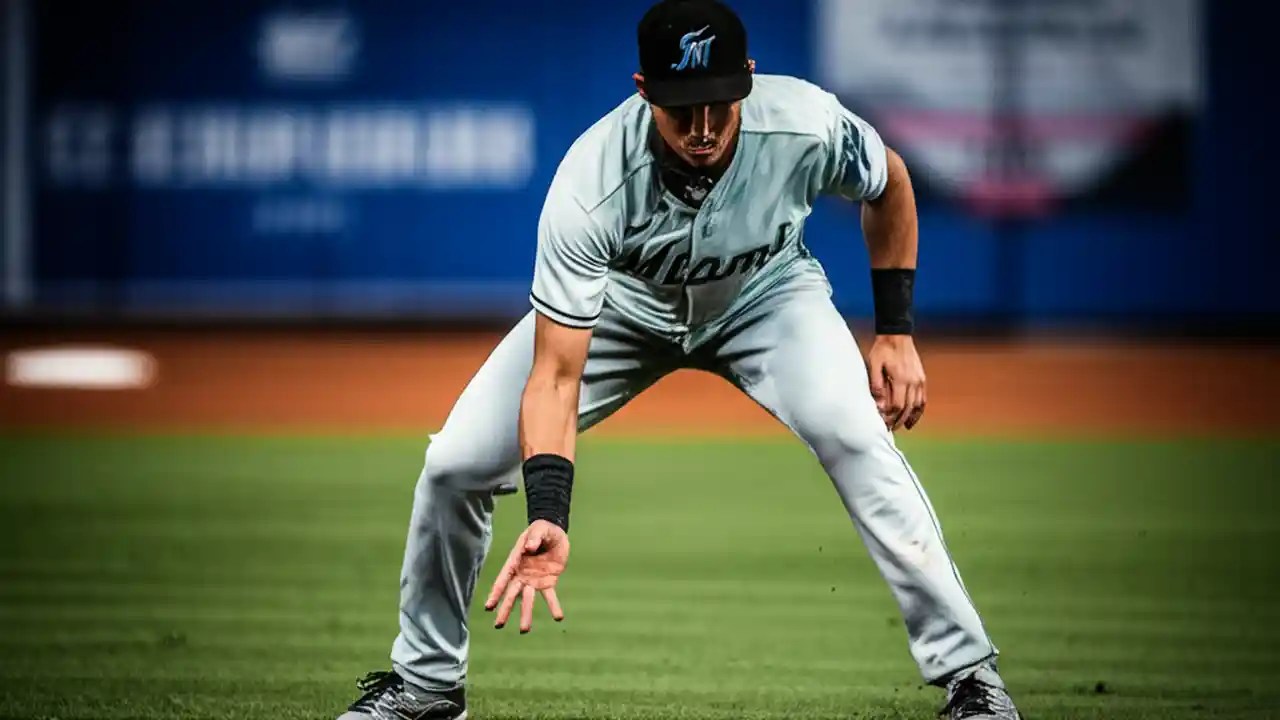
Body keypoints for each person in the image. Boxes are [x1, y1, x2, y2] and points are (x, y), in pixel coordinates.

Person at [338, 1, 1022, 718]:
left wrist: (896, 332)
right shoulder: (592, 179)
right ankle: (426, 688)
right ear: (643, 90)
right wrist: (549, 510)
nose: (701, 127)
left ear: (748, 77)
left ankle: (971, 676)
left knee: (854, 433)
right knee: (453, 465)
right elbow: (556, 377)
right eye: (680, 108)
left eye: (718, 104)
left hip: (768, 293)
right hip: (627, 305)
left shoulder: (805, 123)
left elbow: (890, 182)